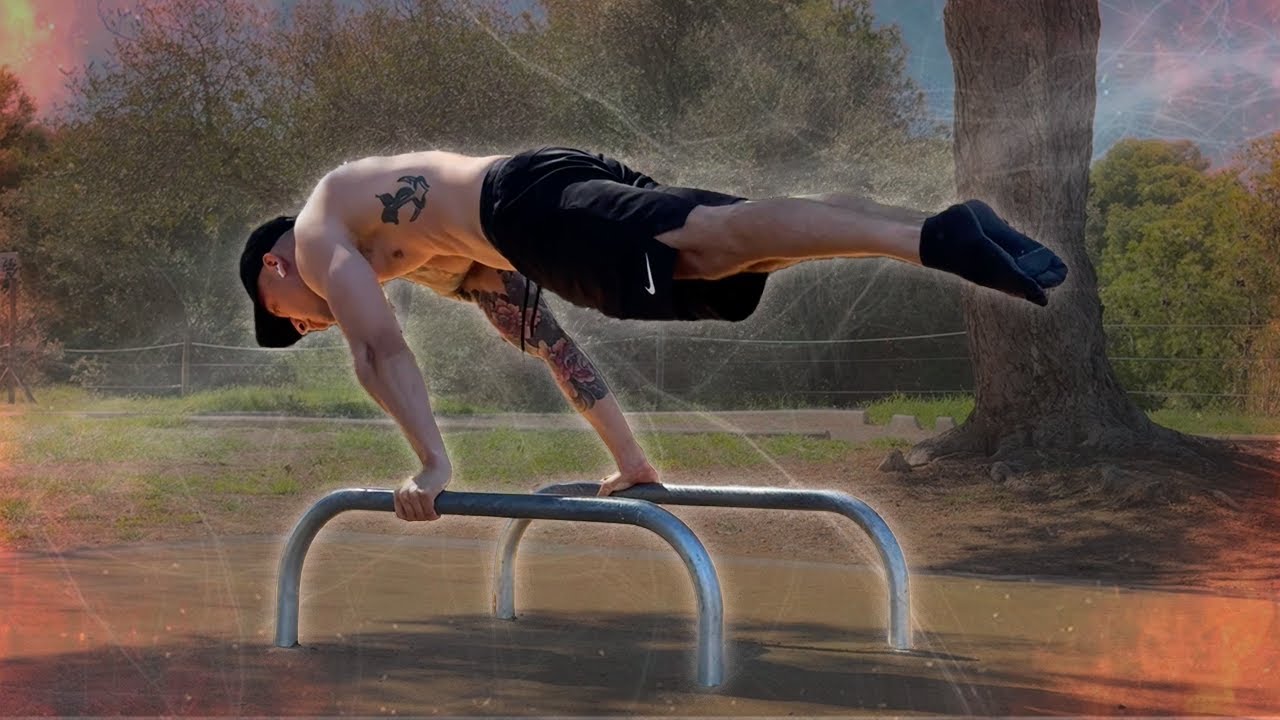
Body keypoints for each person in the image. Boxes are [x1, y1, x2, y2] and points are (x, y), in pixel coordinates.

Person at [239, 146, 1067, 522]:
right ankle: (922, 230)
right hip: (540, 190)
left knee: (709, 241)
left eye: (290, 319)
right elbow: (552, 345)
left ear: (275, 272)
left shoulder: (315, 236)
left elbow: (376, 352)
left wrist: (432, 464)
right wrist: (632, 464)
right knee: (722, 256)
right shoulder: (421, 245)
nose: (309, 322)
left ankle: (932, 236)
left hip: (529, 206)